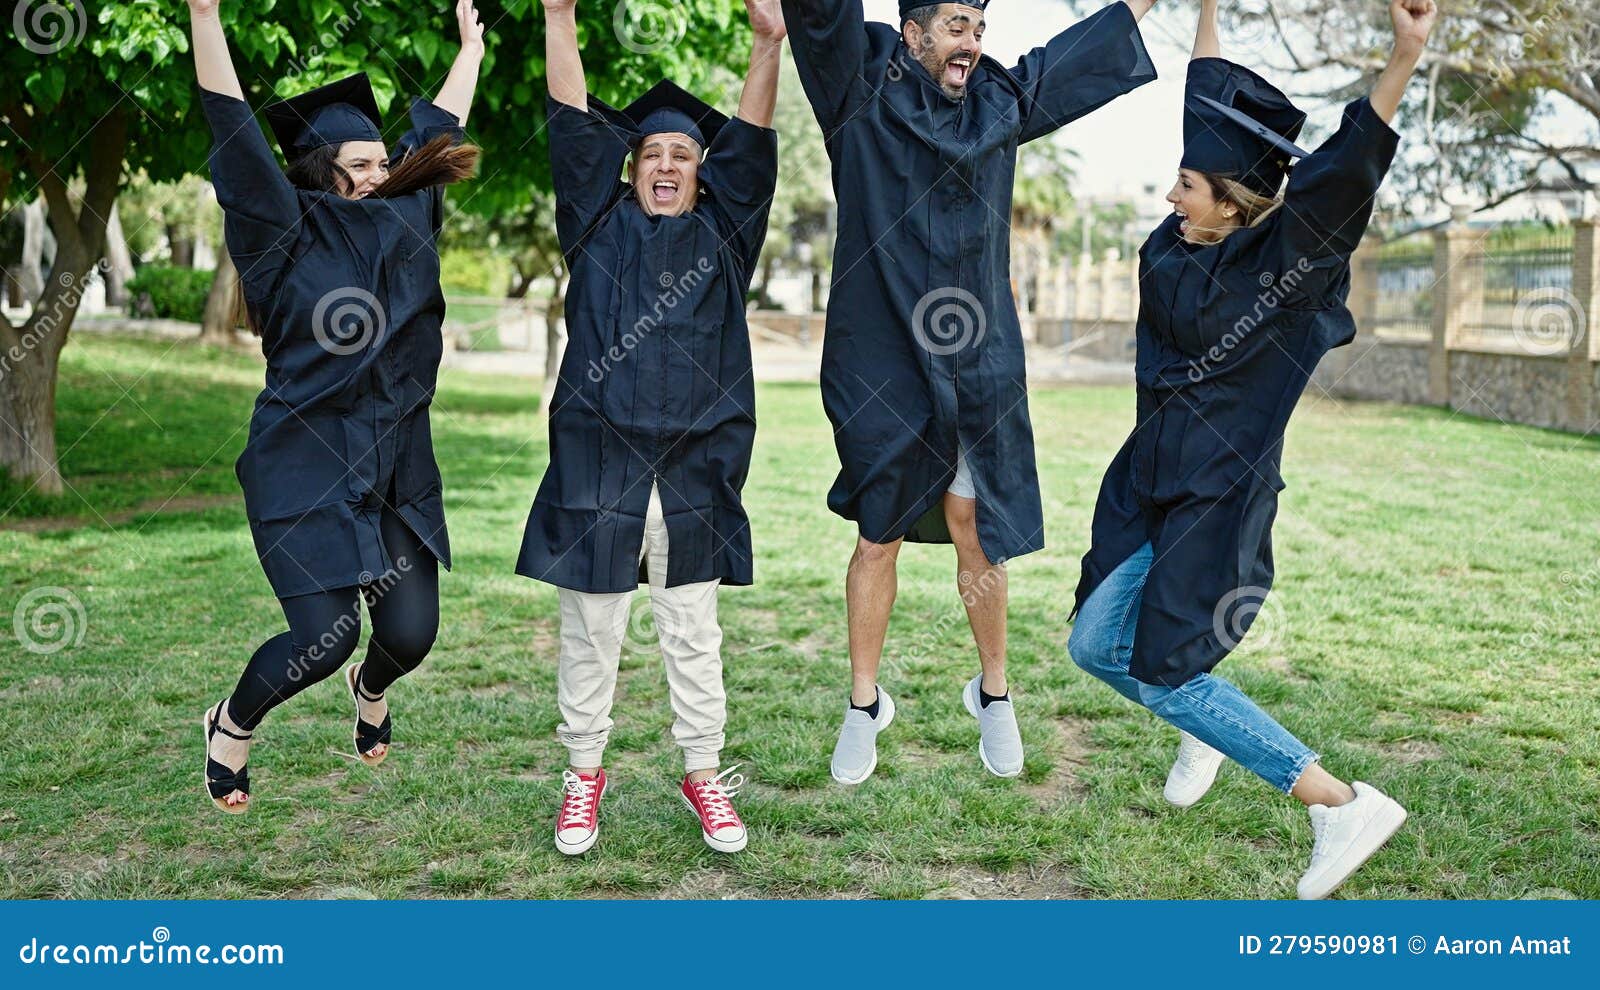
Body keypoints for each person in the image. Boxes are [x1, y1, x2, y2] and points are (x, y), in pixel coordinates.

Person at [1067, 0, 1438, 899]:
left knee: (1164, 670)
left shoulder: (1284, 270)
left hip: (1219, 495)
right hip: (1147, 481)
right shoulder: (1170, 249)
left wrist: (1404, 54)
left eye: (1187, 185)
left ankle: (1339, 804)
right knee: (1094, 644)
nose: (1169, 196)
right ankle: (1203, 719)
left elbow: (1347, 171)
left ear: (1232, 202)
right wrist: (1205, 10)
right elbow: (1204, 97)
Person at [780, 0, 1158, 784]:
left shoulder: (997, 105)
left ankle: (993, 692)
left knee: (973, 527)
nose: (973, 42)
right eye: (957, 26)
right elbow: (822, 19)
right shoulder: (859, 93)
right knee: (877, 534)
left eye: (980, 30)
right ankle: (862, 704)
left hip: (976, 362)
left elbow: (1078, 51)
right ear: (913, 33)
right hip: (881, 360)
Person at [189, 0, 484, 814]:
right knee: (324, 639)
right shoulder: (282, 233)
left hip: (393, 466)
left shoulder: (408, 216)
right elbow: (233, 130)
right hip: (304, 462)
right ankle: (231, 724)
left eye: (383, 161)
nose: (379, 175)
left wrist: (469, 51)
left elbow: (438, 128)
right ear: (322, 172)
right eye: (359, 165)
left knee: (409, 636)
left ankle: (371, 688)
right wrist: (205, 16)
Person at [517, 0, 782, 855]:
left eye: (683, 155)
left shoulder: (727, 238)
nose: (666, 164)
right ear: (631, 170)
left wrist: (767, 42)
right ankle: (582, 777)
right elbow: (570, 125)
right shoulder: (594, 227)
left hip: (695, 465)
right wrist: (559, 17)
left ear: (703, 174)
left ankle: (703, 772)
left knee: (691, 632)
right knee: (591, 632)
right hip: (599, 458)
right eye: (652, 154)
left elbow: (753, 141)